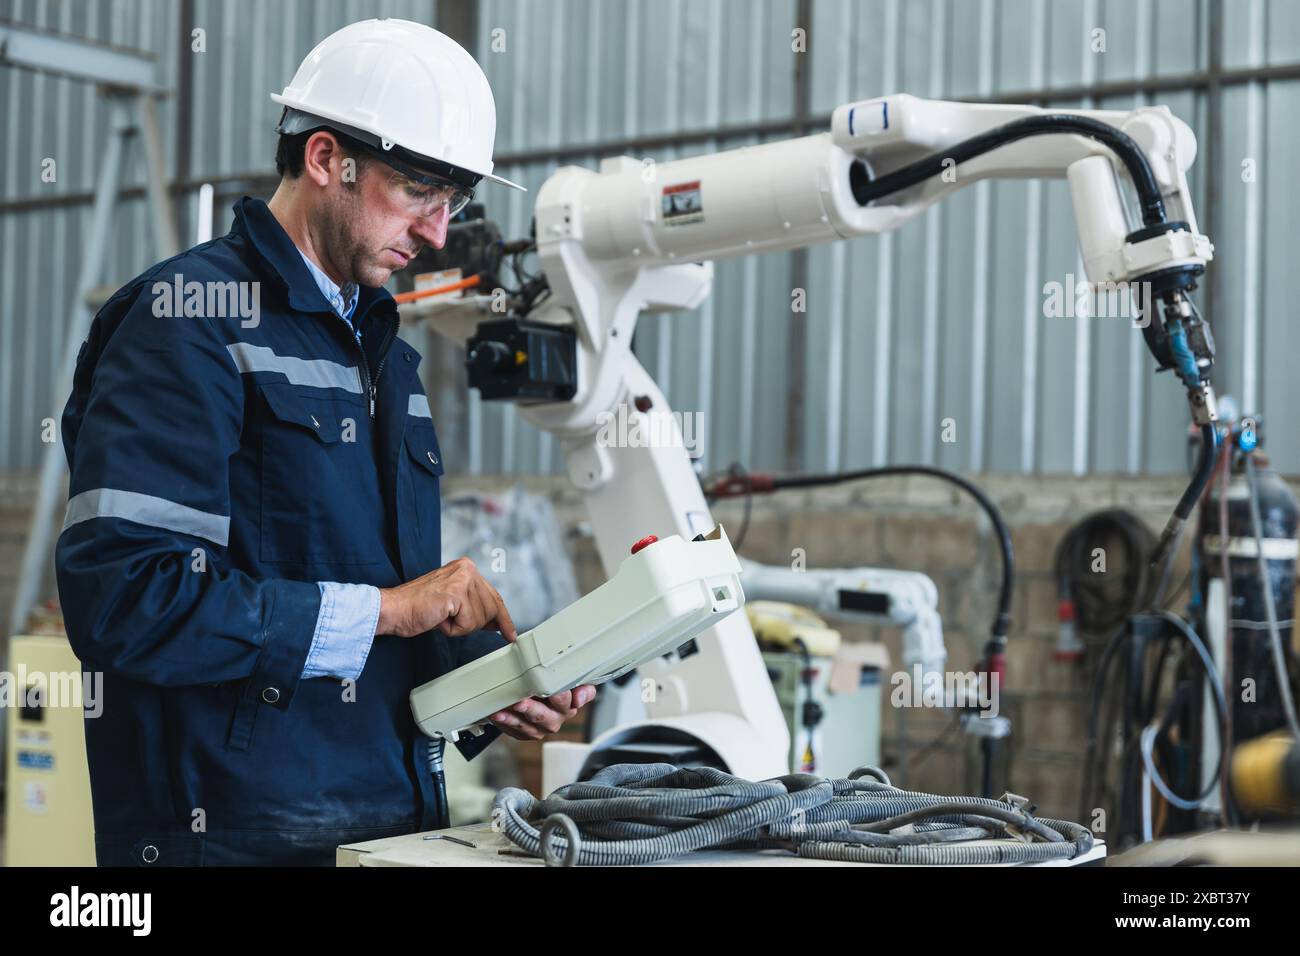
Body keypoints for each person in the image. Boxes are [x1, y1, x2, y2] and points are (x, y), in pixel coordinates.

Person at [55, 18, 593, 867]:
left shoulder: (388, 355)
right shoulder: (187, 325)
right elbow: (127, 600)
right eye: (420, 192)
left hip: (387, 831)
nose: (437, 234)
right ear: (326, 160)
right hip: (230, 840)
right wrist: (393, 609)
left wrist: (486, 685)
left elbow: (366, 608)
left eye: (453, 203)